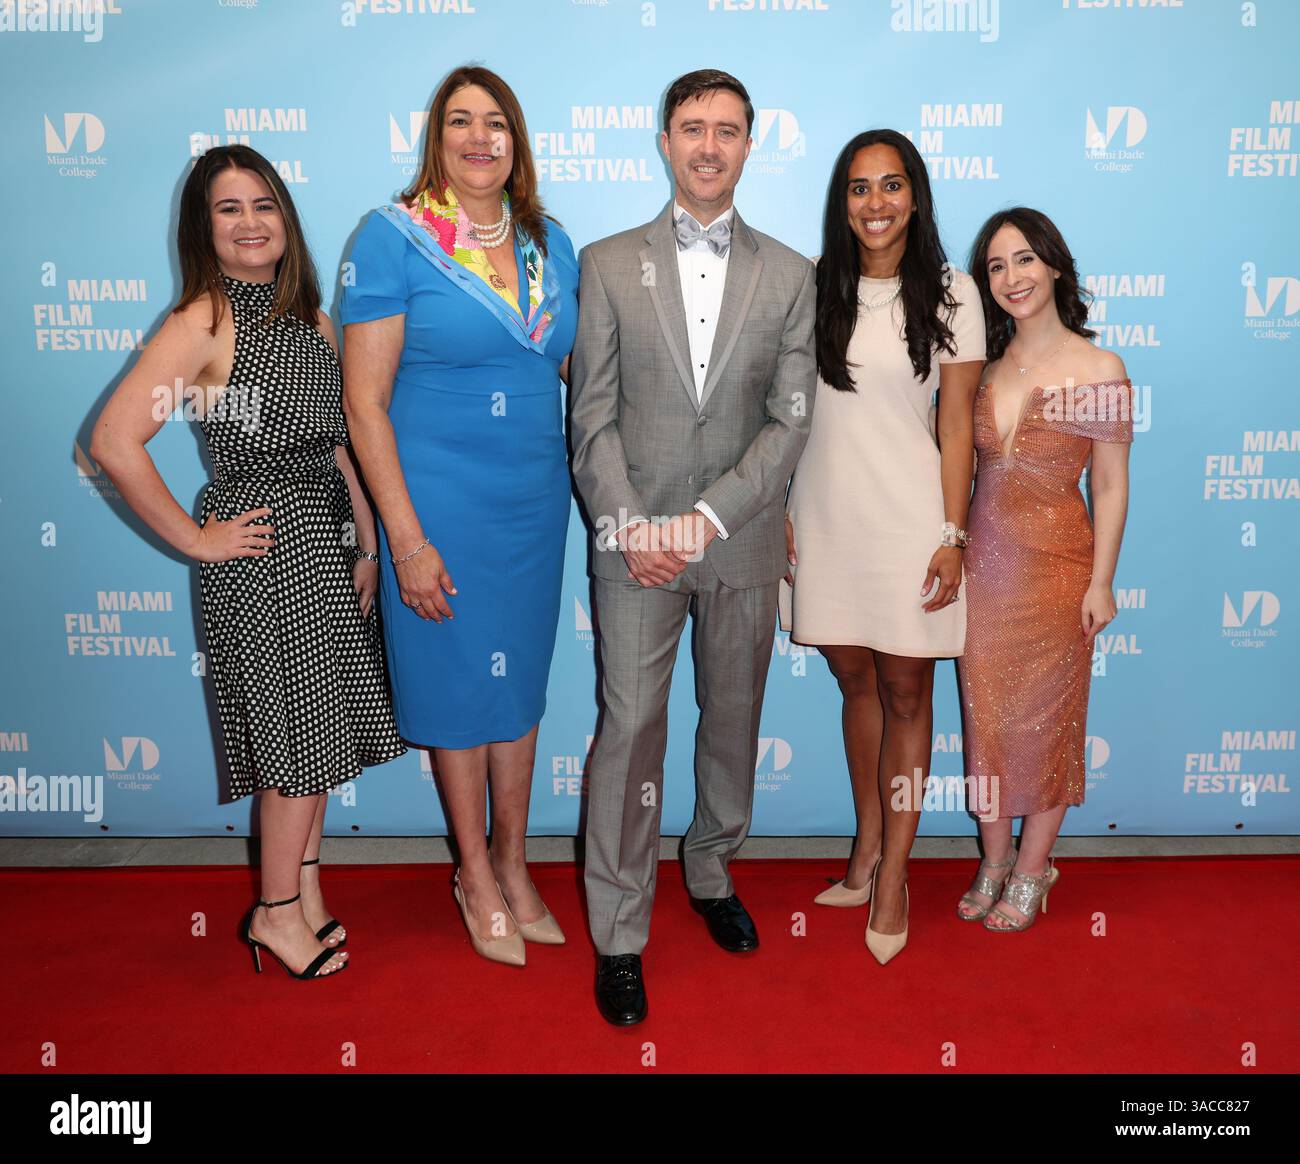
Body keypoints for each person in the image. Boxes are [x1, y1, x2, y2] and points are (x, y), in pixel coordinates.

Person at [91, 144, 405, 980]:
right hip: (263, 551)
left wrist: (368, 540)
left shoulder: (307, 314)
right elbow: (115, 441)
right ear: (204, 226)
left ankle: (300, 887)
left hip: (329, 541)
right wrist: (197, 540)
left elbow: (340, 440)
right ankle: (272, 917)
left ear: (286, 219)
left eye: (264, 204)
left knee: (320, 734)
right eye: (229, 209)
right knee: (294, 744)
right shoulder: (201, 320)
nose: (250, 223)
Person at [570, 68, 816, 1025]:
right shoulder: (604, 261)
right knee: (630, 732)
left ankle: (711, 872)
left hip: (741, 541)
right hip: (632, 548)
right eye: (691, 128)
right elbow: (590, 421)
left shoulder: (792, 274)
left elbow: (788, 423)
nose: (709, 145)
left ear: (751, 144)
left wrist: (705, 520)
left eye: (727, 129)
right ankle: (620, 930)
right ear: (663, 141)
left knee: (733, 720)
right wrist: (635, 527)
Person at [340, 66, 578, 967]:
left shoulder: (549, 243)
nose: (481, 139)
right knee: (453, 688)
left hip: (533, 503)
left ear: (517, 141)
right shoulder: (391, 237)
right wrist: (404, 540)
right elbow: (364, 406)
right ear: (435, 138)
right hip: (435, 502)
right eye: (460, 123)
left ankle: (517, 866)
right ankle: (472, 871)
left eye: (497, 124)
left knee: (515, 694)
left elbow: (577, 375)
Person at [780, 129, 985, 964]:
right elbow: (780, 410)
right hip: (823, 516)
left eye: (891, 185)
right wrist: (776, 509)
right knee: (853, 678)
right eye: (860, 188)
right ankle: (868, 845)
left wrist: (953, 533)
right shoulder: (809, 287)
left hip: (912, 522)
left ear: (915, 195)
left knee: (907, 693)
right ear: (842, 201)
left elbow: (958, 425)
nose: (876, 203)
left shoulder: (952, 292)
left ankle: (896, 873)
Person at [955, 208, 1132, 931]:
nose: (1011, 278)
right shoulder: (982, 370)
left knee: (1049, 723)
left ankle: (1033, 871)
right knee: (987, 725)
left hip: (1060, 572)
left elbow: (1112, 485)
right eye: (995, 267)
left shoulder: (1100, 368)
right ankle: (994, 861)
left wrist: (1102, 581)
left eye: (1024, 260)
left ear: (1055, 265)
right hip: (983, 576)